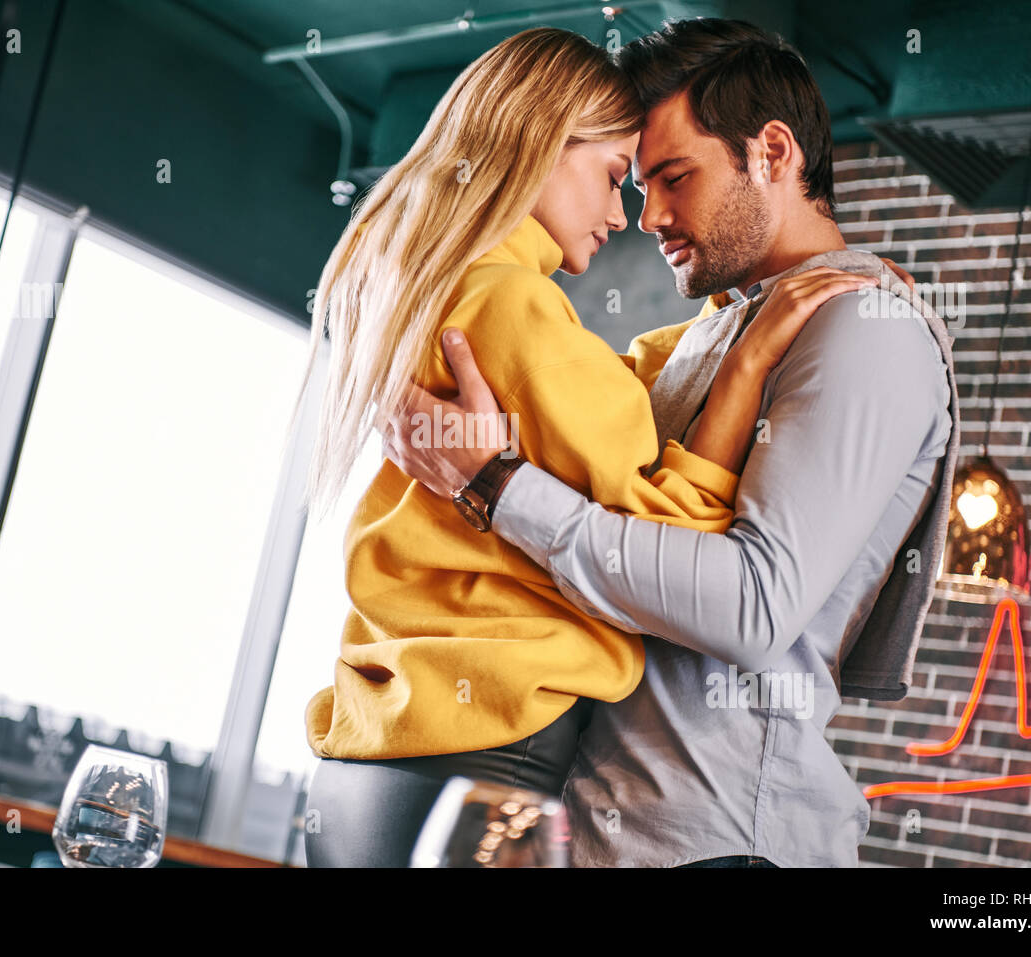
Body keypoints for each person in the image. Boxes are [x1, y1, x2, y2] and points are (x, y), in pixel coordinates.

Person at [380, 18, 959, 868]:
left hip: (713, 842)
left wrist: (496, 486)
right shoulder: (710, 338)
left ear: (772, 152)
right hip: (593, 826)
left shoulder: (864, 331)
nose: (647, 216)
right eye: (635, 181)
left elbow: (752, 607)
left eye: (674, 177)